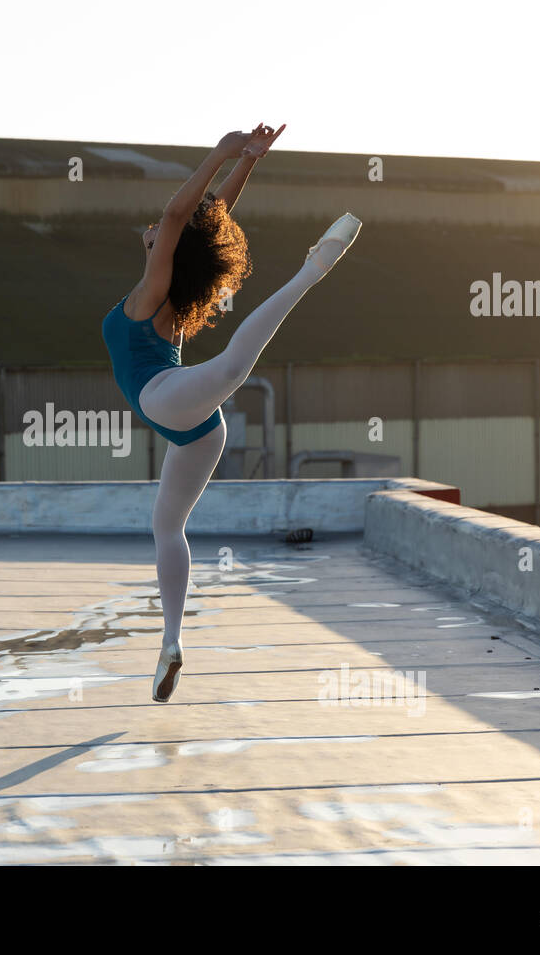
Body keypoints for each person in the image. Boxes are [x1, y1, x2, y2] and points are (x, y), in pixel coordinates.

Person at [100, 123, 361, 702]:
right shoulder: (171, 284)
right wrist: (247, 162)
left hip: (166, 399)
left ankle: (310, 271)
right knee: (166, 527)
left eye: (160, 232)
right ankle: (170, 641)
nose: (153, 227)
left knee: (227, 371)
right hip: (196, 431)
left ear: (165, 249)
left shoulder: (154, 288)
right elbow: (207, 216)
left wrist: (222, 151)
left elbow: (179, 217)